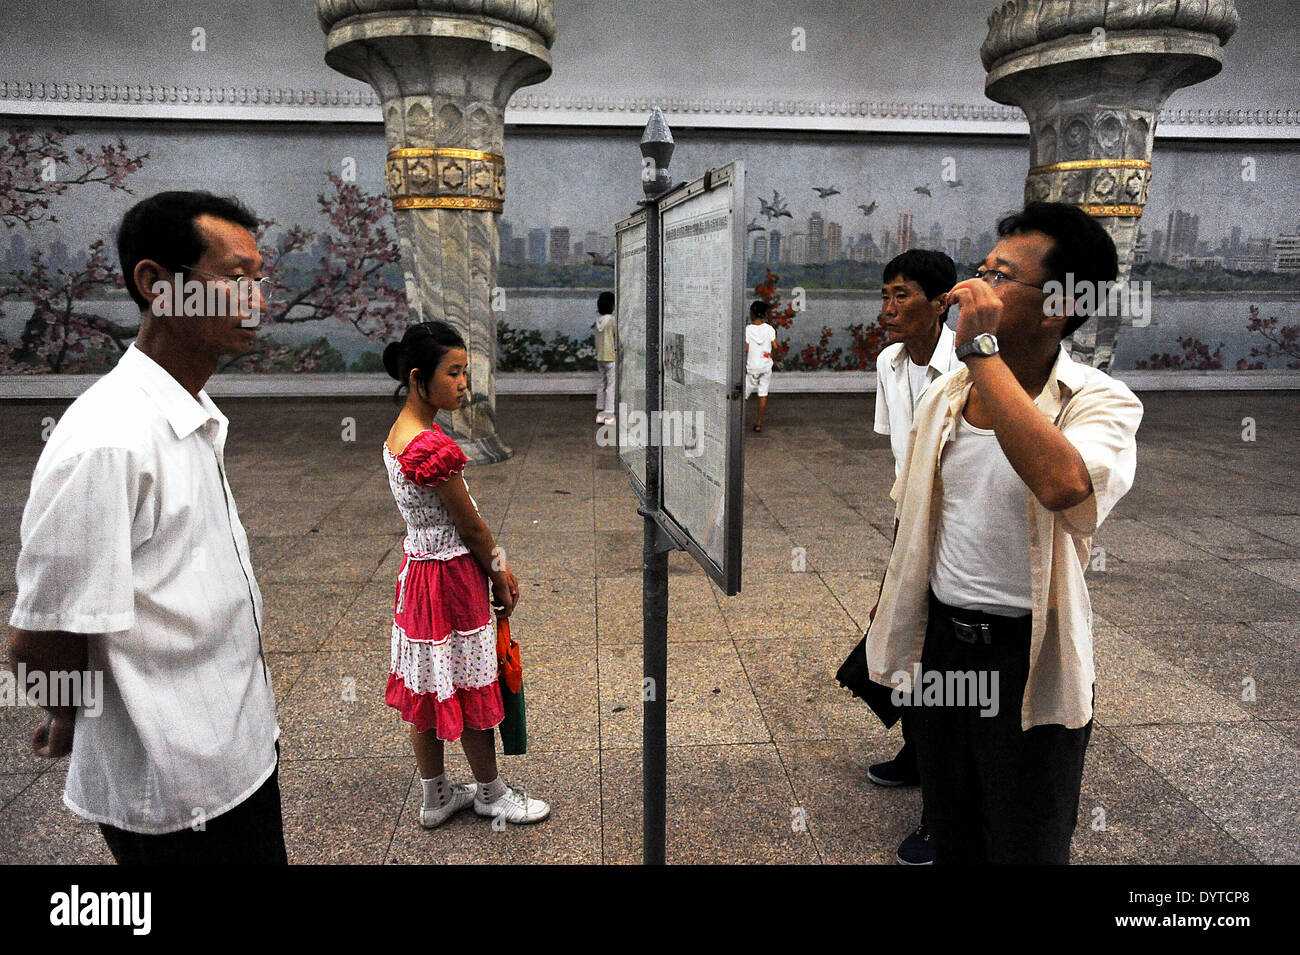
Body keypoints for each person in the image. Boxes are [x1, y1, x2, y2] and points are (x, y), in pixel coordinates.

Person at [7, 191, 284, 863]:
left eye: (259, 277)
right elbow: (38, 639)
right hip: (174, 788)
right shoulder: (109, 442)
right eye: (235, 276)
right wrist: (69, 712)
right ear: (158, 285)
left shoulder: (188, 410)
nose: (257, 298)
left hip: (237, 753)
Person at [865, 201, 1143, 864]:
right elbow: (918, 513)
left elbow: (1063, 484)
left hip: (1027, 655)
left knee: (1027, 840)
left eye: (1001, 277)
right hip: (945, 647)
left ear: (1059, 304)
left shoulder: (1098, 400)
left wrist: (980, 351)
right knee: (954, 828)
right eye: (982, 270)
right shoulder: (948, 394)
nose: (977, 290)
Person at [381, 321, 550, 827]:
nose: (463, 384)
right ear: (418, 377)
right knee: (475, 680)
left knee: (430, 684)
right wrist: (499, 572)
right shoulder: (432, 449)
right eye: (453, 373)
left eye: (464, 372)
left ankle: (435, 797)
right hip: (453, 575)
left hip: (418, 575)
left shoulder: (400, 433)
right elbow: (472, 528)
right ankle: (490, 793)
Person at [868, 248, 961, 866]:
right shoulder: (887, 363)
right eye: (886, 295)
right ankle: (918, 753)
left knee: (942, 660)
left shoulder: (975, 369)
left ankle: (944, 813)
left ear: (941, 302)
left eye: (902, 295)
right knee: (900, 642)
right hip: (911, 524)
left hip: (961, 536)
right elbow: (898, 449)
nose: (888, 309)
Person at [744, 300, 777, 432]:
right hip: (766, 366)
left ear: (752, 313)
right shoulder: (769, 329)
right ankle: (758, 423)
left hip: (752, 367)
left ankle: (738, 422)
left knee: (743, 395)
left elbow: (746, 348)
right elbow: (775, 346)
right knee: (763, 394)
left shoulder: (747, 329)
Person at [594, 291, 617, 425]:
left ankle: (601, 411)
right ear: (613, 306)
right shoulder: (612, 320)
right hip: (610, 357)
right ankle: (609, 413)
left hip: (600, 357)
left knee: (601, 383)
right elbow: (617, 336)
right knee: (611, 385)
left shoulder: (597, 321)